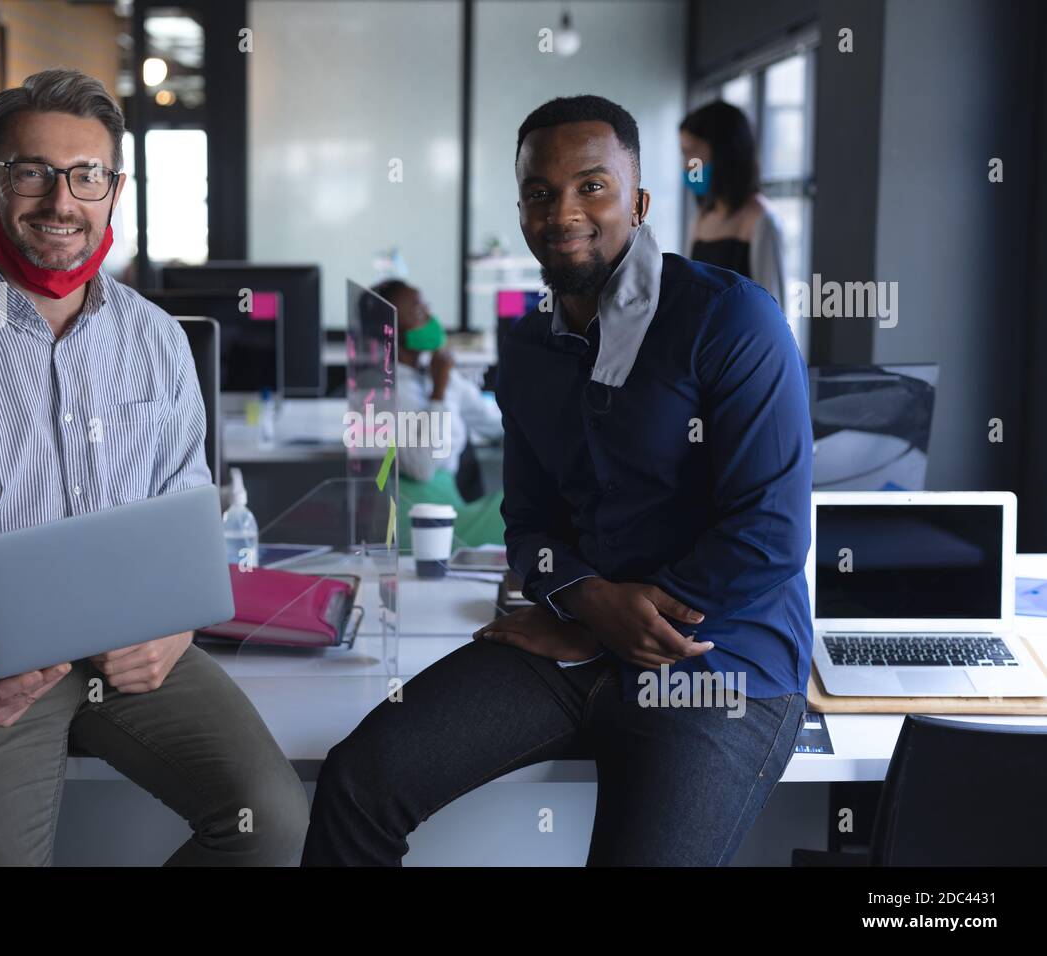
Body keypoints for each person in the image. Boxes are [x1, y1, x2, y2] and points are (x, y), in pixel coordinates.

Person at [303, 94, 811, 866]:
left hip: (718, 658)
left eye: (591, 187)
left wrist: (610, 621)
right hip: (573, 641)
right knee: (356, 784)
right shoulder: (530, 344)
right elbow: (530, 523)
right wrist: (581, 600)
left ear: (637, 202)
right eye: (540, 193)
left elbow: (769, 532)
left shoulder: (731, 319)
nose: (563, 211)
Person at [0, 69, 309, 866]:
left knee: (273, 824)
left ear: (114, 188)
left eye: (87, 176)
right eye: (32, 172)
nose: (61, 202)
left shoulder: (157, 341)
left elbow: (187, 520)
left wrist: (176, 624)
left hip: (140, 648)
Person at [375, 278, 505, 548]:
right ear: (391, 330)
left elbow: (494, 421)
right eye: (419, 313)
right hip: (422, 521)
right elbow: (422, 468)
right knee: (527, 511)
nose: (431, 320)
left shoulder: (436, 372)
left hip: (449, 506)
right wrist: (438, 393)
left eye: (427, 308)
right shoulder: (385, 393)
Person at [679, 100, 787, 311]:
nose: (687, 164)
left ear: (723, 153)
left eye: (691, 152)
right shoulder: (702, 218)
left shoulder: (762, 220)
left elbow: (774, 313)